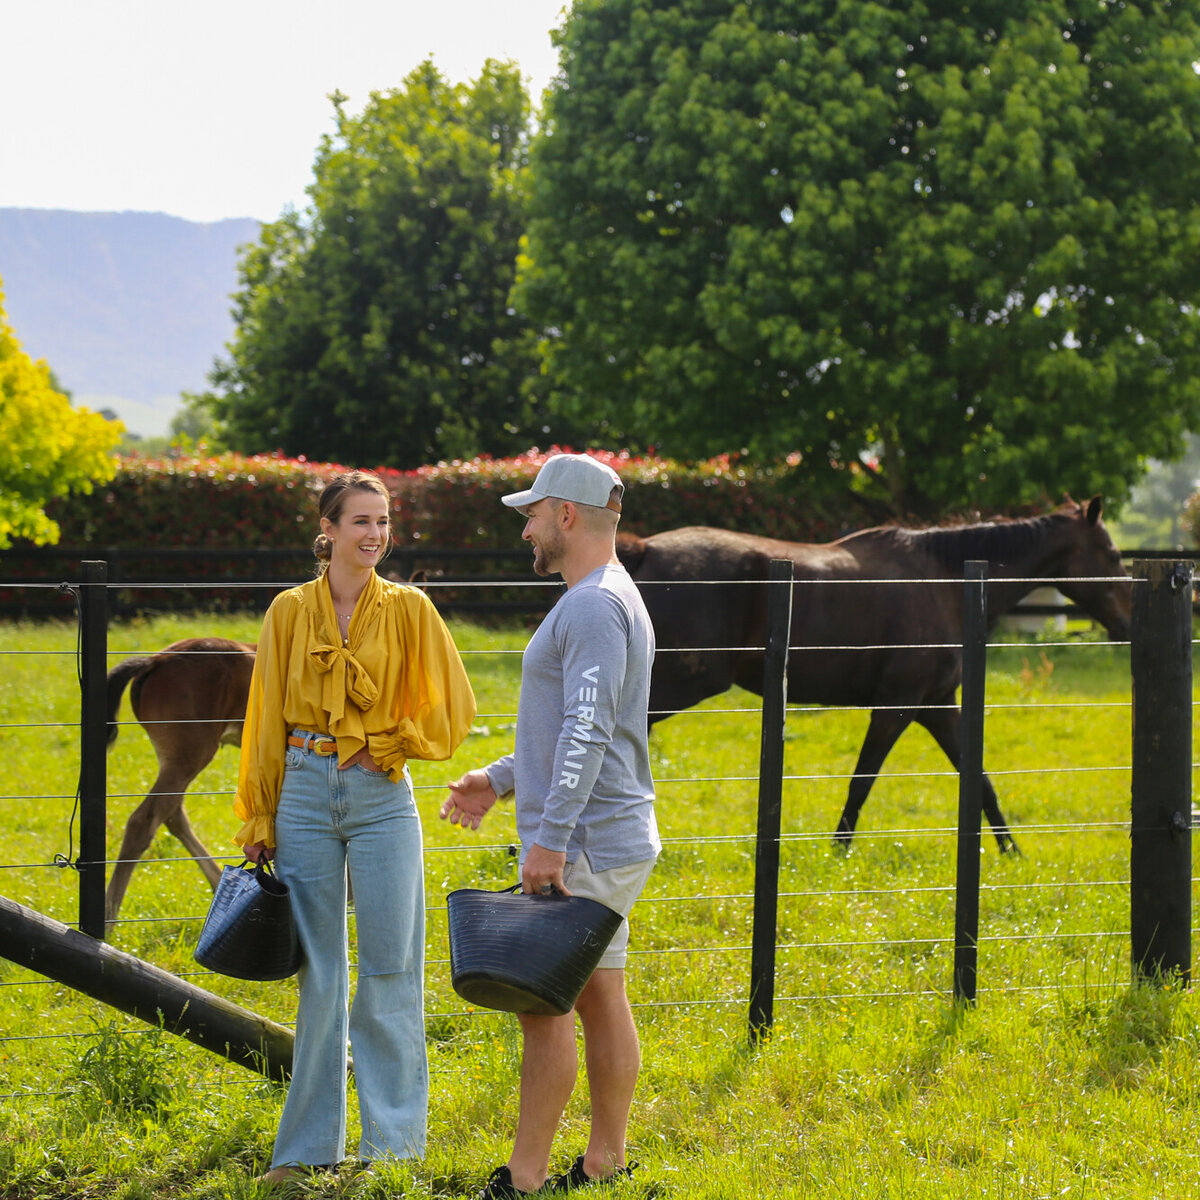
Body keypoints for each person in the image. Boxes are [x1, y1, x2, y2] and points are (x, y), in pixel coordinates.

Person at [232, 469, 476, 1183]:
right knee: (320, 978)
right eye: (361, 522)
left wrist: (395, 742)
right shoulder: (287, 611)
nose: (375, 535)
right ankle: (306, 1152)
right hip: (304, 791)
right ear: (328, 530)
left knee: (392, 971)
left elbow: (451, 709)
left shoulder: (410, 610)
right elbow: (265, 716)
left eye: (383, 522)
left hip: (381, 796)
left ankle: (392, 1150)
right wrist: (262, 810)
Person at [440, 453, 659, 1199]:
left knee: (542, 1005)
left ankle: (523, 1179)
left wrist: (552, 838)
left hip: (588, 841)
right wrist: (499, 779)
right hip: (606, 832)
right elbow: (568, 723)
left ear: (566, 515)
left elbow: (588, 729)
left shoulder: (594, 605)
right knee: (600, 993)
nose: (526, 527)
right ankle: (605, 1163)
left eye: (531, 513)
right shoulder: (603, 596)